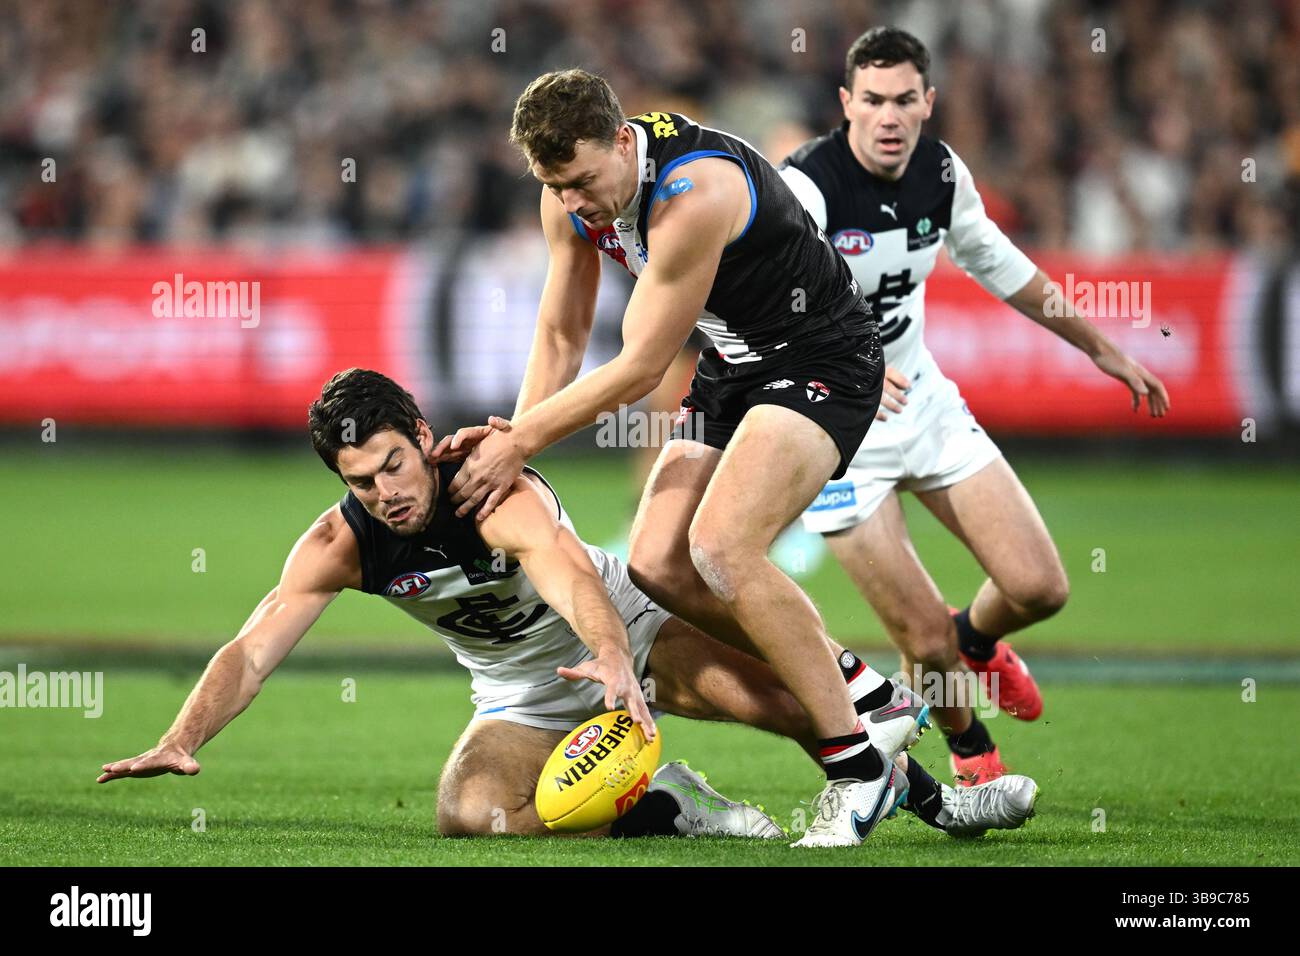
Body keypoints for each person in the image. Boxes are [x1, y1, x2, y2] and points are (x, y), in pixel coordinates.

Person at [97, 369, 1039, 844]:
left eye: (394, 462)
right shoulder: (342, 544)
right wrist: (185, 736)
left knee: (804, 711)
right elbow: (253, 647)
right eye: (361, 478)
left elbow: (573, 577)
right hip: (519, 696)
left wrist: (615, 656)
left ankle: (941, 802)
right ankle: (668, 802)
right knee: (470, 815)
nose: (386, 489)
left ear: (422, 438)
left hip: (629, 632)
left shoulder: (488, 490)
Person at [444, 68, 909, 846]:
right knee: (656, 564)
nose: (574, 202)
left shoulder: (694, 195)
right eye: (556, 186)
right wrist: (518, 455)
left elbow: (641, 368)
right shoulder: (569, 193)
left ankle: (857, 767)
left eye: (585, 181)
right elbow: (561, 335)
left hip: (824, 358)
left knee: (722, 546)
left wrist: (516, 442)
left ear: (623, 142)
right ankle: (869, 690)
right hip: (737, 365)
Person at [777, 27, 1171, 783]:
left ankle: (978, 638)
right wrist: (845, 361)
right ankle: (967, 743)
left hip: (922, 402)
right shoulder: (808, 187)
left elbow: (995, 259)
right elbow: (766, 301)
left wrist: (1099, 346)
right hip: (837, 429)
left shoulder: (940, 172)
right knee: (920, 642)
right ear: (845, 104)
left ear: (928, 101)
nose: (888, 117)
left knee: (1038, 587)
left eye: (903, 101)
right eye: (872, 101)